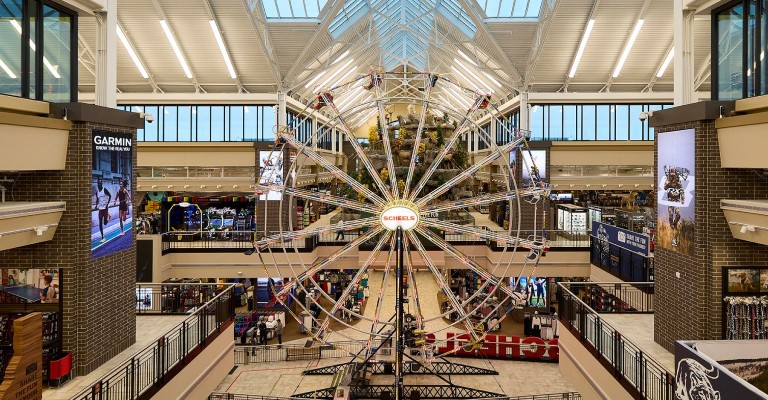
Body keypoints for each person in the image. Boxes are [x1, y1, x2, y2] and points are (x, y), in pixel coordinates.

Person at [94, 178, 112, 243]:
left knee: (105, 223)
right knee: (100, 222)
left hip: (105, 208)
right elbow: (97, 200)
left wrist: (107, 204)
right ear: (97, 185)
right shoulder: (97, 193)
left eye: (100, 183)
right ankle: (102, 237)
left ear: (101, 184)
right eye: (98, 183)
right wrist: (96, 205)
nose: (99, 184)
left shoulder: (105, 190)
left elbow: (110, 196)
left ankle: (108, 216)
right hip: (100, 209)